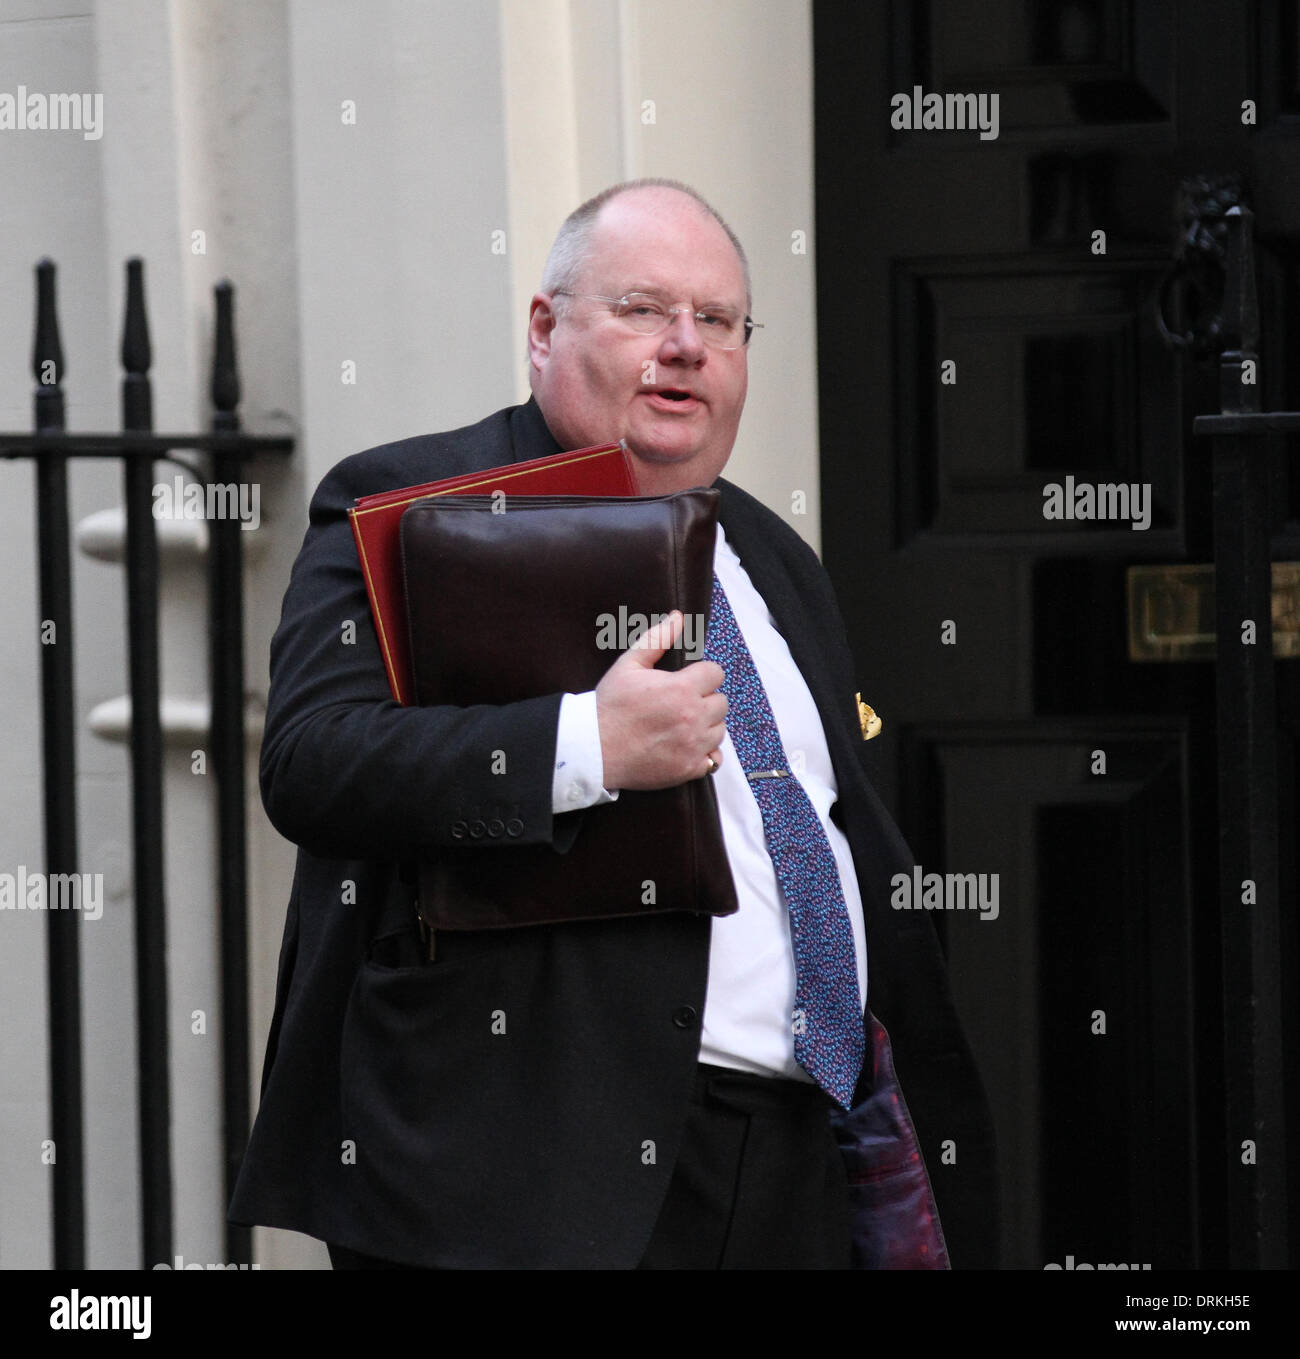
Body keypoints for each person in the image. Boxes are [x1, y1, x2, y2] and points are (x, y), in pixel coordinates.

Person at [230, 179, 997, 1269]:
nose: (685, 347)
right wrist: (585, 746)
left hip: (796, 1158)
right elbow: (312, 764)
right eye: (643, 310)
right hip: (533, 1174)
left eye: (719, 322)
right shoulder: (415, 500)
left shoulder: (777, 560)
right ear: (544, 329)